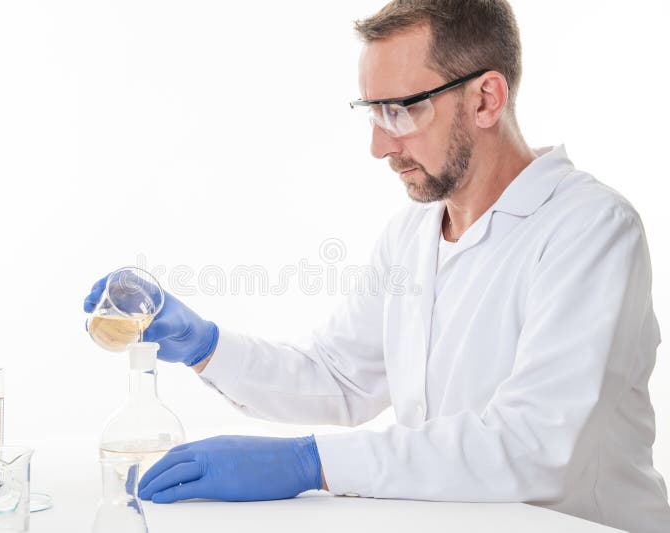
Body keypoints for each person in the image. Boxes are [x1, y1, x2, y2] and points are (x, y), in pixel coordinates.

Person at [83, 1, 669, 531]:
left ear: (486, 98)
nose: (379, 146)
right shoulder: (413, 234)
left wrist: (310, 463)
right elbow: (342, 377)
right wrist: (205, 344)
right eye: (373, 112)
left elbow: (531, 446)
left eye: (401, 110)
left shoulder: (589, 230)